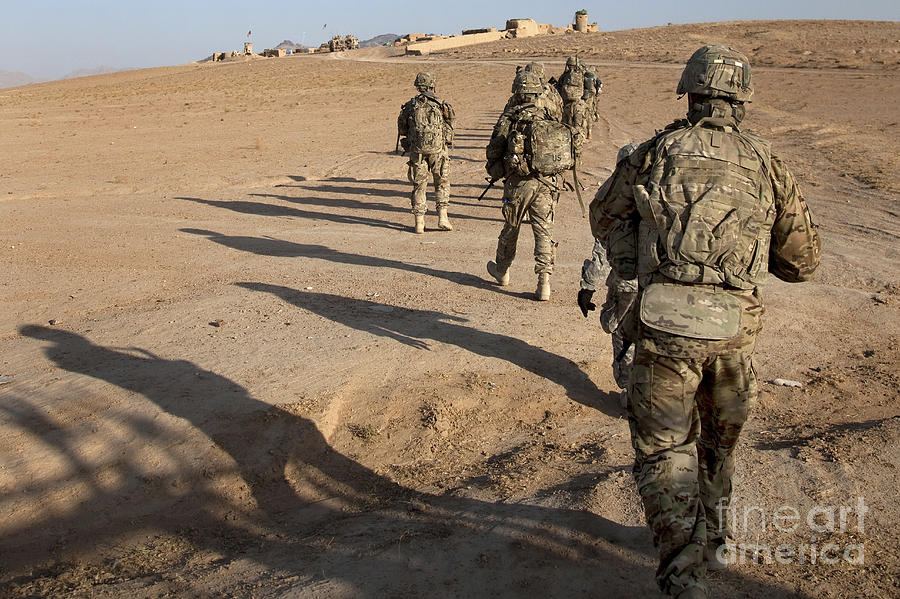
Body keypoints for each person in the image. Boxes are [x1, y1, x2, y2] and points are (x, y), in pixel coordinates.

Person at [588, 45, 820, 598]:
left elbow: (604, 216)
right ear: (742, 99)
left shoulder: (651, 152)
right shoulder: (767, 163)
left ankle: (683, 575)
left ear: (689, 92)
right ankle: (712, 540)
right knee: (719, 444)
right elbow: (801, 263)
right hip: (734, 334)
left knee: (667, 453)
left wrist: (632, 259)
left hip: (665, 329)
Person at [485, 70, 574, 301]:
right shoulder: (549, 118)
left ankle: (502, 271)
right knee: (544, 231)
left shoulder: (509, 118)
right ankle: (544, 281)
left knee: (511, 227)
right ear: (536, 93)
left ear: (517, 91)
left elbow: (494, 149)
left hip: (519, 184)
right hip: (547, 183)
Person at [578, 144, 639, 407]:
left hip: (626, 285)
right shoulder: (664, 198)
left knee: (623, 336)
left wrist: (587, 286)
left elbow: (601, 251)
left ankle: (630, 394)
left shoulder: (617, 205)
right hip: (663, 284)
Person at [397, 72, 455, 233]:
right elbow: (451, 125)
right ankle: (443, 217)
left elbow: (402, 128)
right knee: (441, 182)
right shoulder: (441, 104)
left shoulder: (410, 106)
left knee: (419, 185)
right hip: (438, 150)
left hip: (417, 151)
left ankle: (419, 223)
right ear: (432, 85)